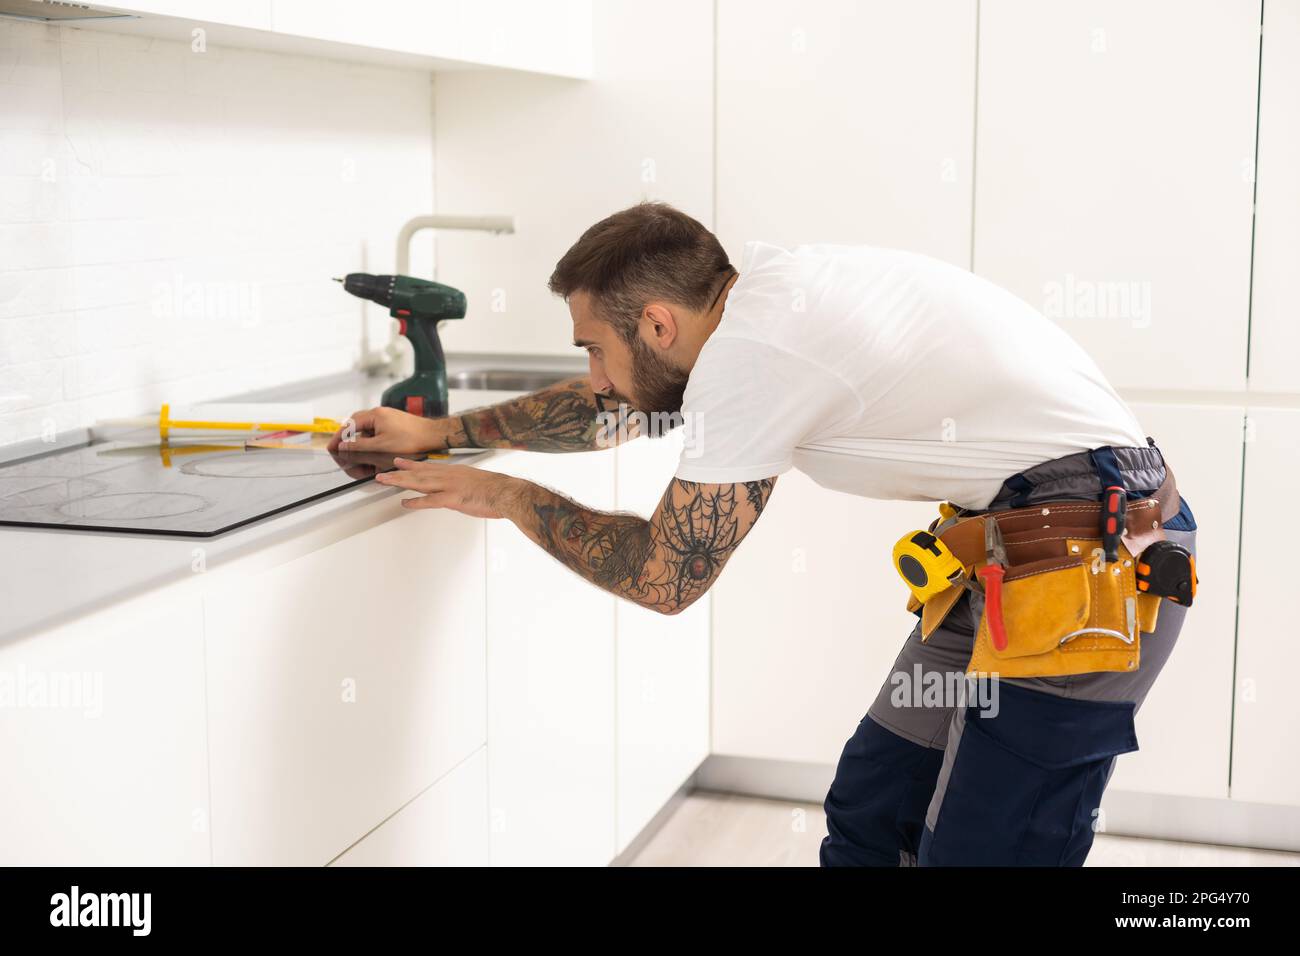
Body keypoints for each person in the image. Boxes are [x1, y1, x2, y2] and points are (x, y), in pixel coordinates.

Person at [328, 200, 1197, 866]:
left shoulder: (754, 358)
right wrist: (445, 433)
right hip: (1007, 553)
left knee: (986, 846)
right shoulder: (749, 312)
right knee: (873, 810)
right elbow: (619, 410)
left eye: (593, 347)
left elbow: (663, 579)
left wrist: (512, 498)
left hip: (1094, 562)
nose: (591, 373)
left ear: (659, 325)